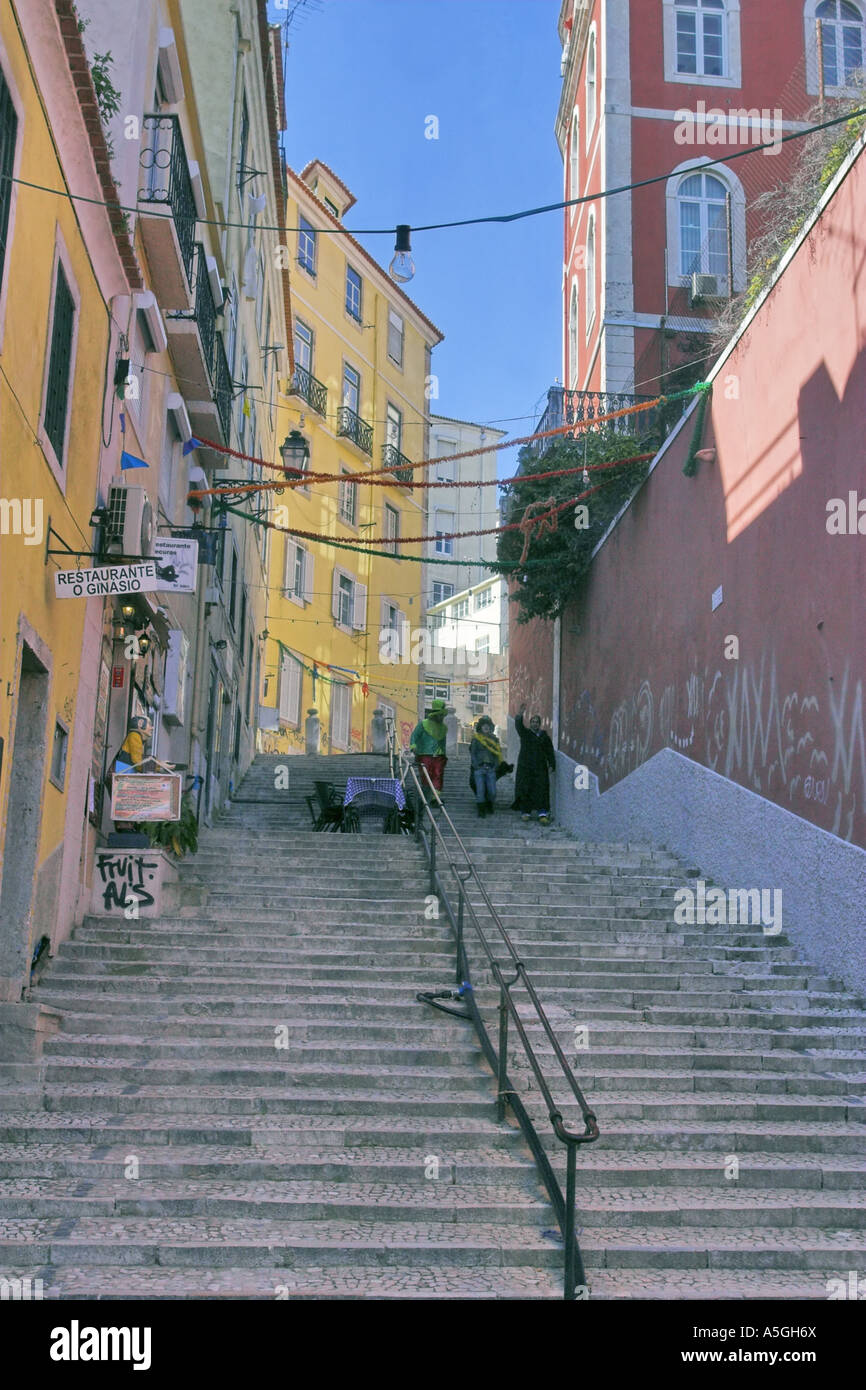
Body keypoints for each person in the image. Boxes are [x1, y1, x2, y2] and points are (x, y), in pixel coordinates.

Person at [512, 703, 556, 824]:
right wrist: (520, 715)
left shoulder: (544, 737)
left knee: (542, 790)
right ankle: (526, 812)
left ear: (539, 724)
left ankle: (542, 814)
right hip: (526, 767)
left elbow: (549, 751)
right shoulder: (525, 734)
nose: (535, 724)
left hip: (540, 768)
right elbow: (519, 726)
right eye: (533, 722)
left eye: (537, 722)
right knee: (526, 789)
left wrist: (552, 764)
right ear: (530, 723)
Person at [409, 698, 448, 799]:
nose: (442, 717)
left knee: (438, 774)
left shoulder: (443, 727)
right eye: (440, 715)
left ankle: (436, 798)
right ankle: (425, 795)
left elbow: (443, 742)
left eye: (442, 715)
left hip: (438, 755)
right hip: (424, 754)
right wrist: (413, 746)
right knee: (426, 776)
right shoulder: (423, 724)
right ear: (435, 714)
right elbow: (414, 736)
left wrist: (444, 755)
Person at [470, 716, 502, 817]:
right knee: (480, 790)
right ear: (480, 727)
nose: (486, 727)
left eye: (488, 725)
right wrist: (475, 765)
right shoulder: (476, 738)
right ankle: (481, 810)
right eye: (484, 725)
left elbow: (498, 753)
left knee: (492, 791)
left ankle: (489, 804)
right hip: (479, 768)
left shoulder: (494, 739)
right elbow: (473, 753)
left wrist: (496, 766)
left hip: (491, 768)